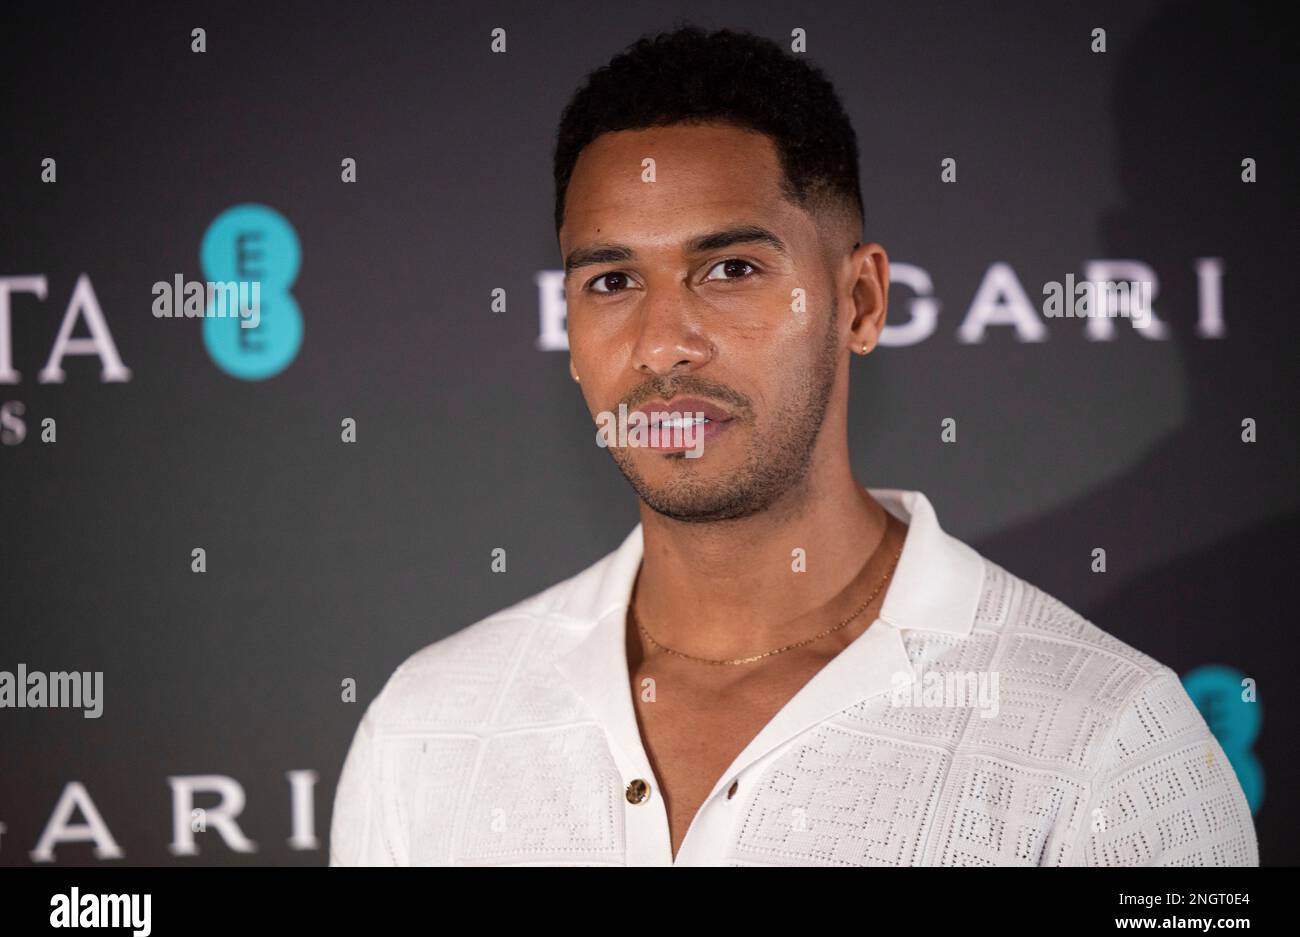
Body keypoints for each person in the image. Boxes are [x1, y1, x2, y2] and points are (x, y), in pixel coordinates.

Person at [329, 25, 1257, 866]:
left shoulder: (1114, 748)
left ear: (859, 302)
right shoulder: (426, 728)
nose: (663, 342)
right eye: (612, 280)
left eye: (730, 269)